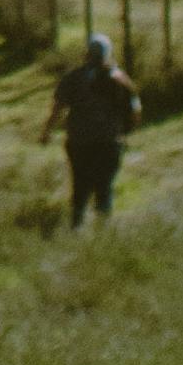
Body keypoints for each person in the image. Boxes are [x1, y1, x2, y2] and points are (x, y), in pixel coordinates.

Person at [43, 29, 142, 224]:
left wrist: (46, 132)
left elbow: (57, 108)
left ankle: (76, 226)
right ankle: (102, 231)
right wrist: (126, 132)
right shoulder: (121, 79)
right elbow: (136, 111)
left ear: (87, 53)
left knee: (80, 185)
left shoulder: (73, 78)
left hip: (79, 142)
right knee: (104, 187)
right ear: (109, 53)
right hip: (109, 142)